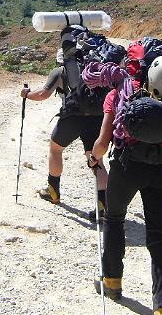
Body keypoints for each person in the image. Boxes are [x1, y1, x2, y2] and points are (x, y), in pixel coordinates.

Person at [89, 44, 162, 315]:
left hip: (127, 166)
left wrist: (95, 160)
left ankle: (112, 281)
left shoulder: (121, 93)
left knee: (115, 219)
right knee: (159, 237)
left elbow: (102, 141)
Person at [20, 33, 108, 220]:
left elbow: (44, 94)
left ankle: (53, 191)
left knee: (55, 149)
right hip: (96, 117)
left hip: (72, 117)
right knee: (96, 160)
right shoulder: (96, 68)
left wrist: (26, 95)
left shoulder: (61, 71)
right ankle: (103, 205)